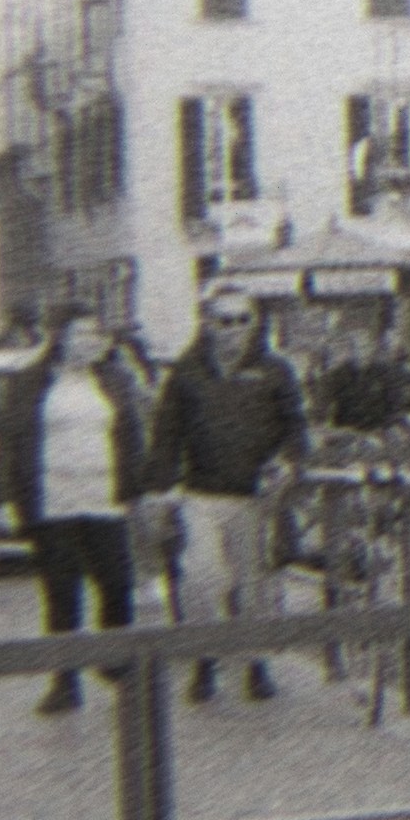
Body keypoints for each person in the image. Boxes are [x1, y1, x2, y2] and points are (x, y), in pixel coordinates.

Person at [0, 309, 169, 716]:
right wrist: (4, 498)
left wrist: (142, 488)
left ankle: (115, 663)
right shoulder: (31, 382)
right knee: (61, 593)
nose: (91, 341)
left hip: (105, 497)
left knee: (116, 584)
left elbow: (132, 436)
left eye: (97, 333)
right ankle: (64, 681)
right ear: (60, 337)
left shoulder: (113, 381)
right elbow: (9, 440)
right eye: (82, 333)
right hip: (52, 500)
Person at [155, 300, 311, 701]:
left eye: (243, 320)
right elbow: (166, 433)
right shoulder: (185, 373)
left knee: (253, 583)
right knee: (202, 576)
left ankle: (256, 664)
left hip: (252, 496)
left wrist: (288, 461)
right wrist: (163, 486)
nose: (234, 329)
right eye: (225, 321)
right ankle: (204, 658)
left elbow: (295, 426)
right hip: (200, 493)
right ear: (207, 323)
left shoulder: (275, 370)